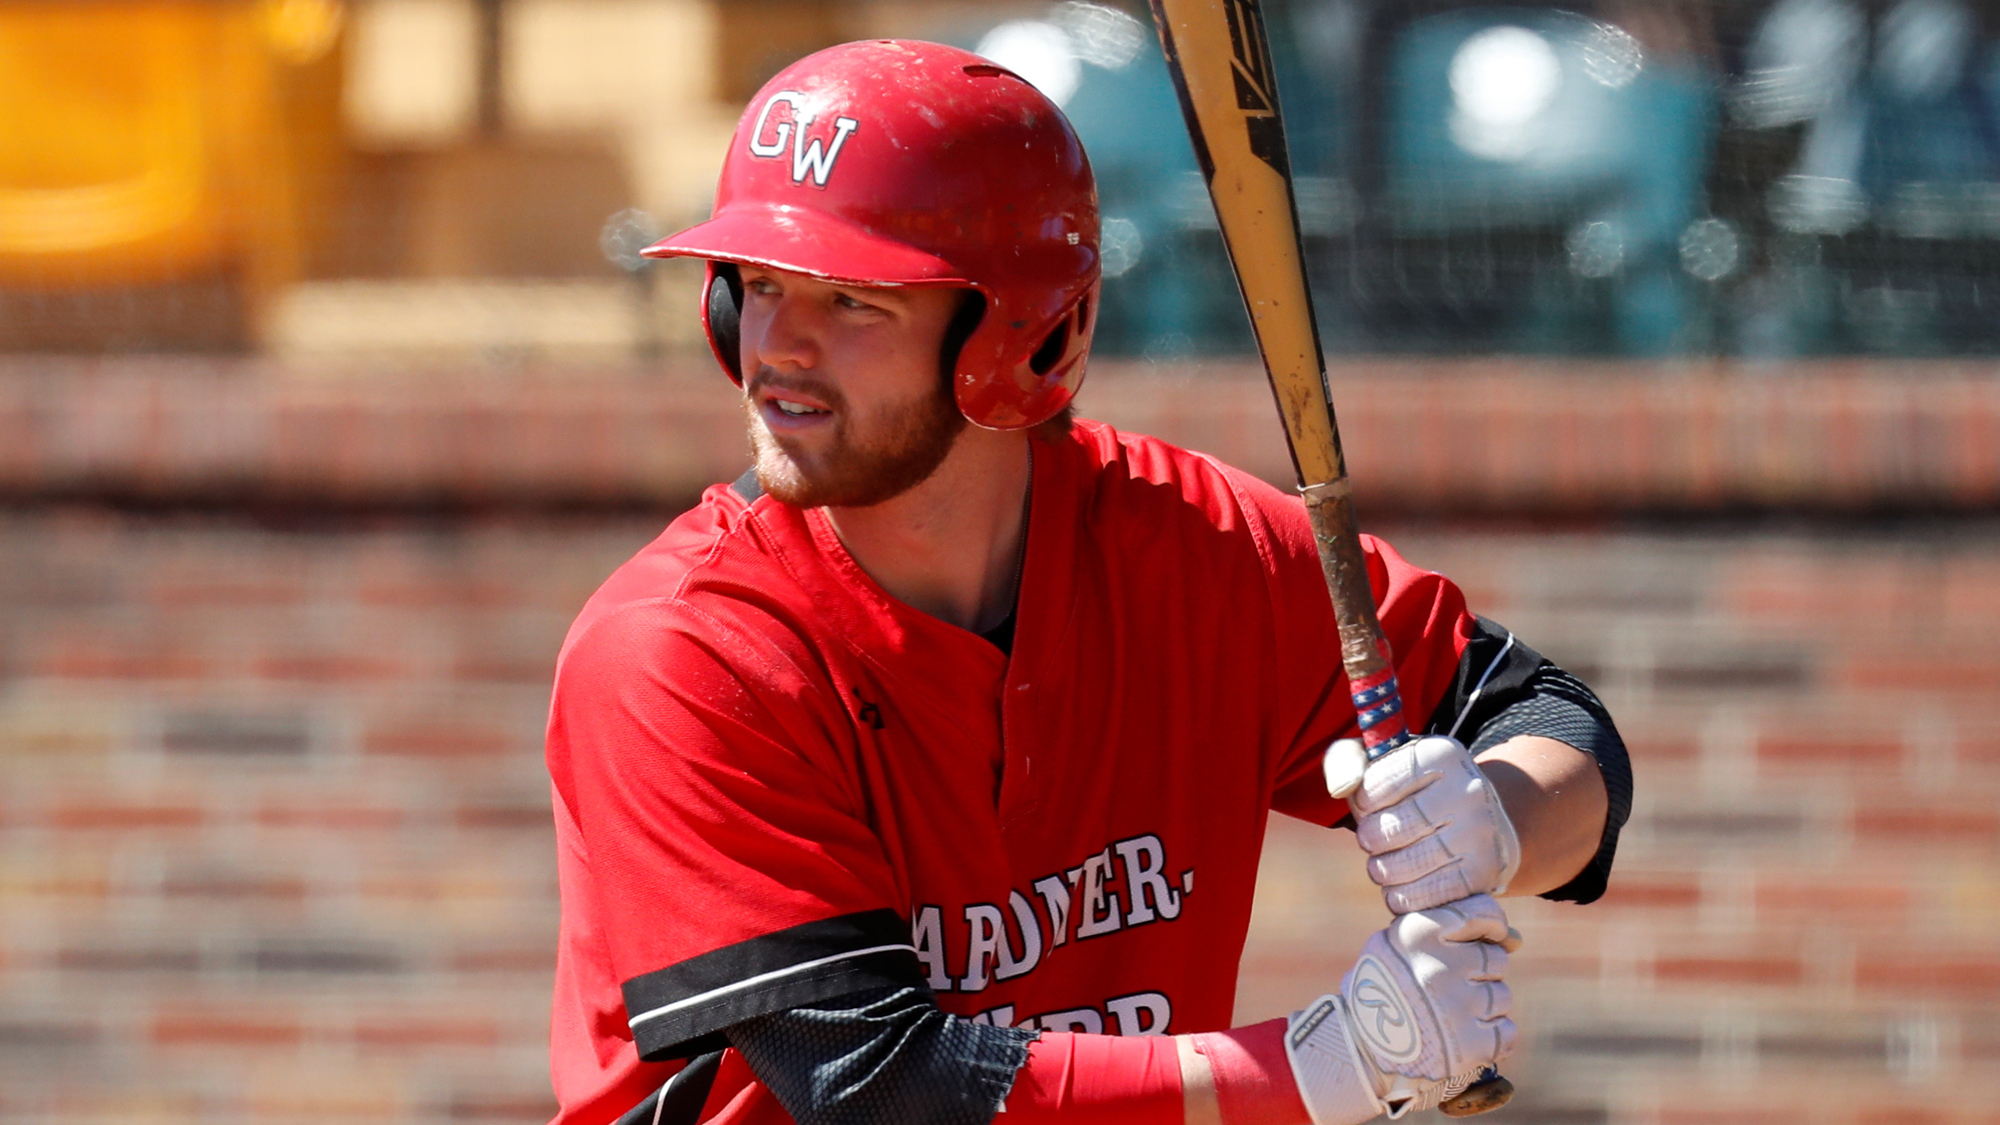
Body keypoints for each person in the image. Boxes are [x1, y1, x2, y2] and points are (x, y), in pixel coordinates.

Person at [543, 39, 1631, 1125]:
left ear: (1020, 330)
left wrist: (1488, 823)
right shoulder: (687, 652)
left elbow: (1552, 723)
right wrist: (1329, 1066)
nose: (777, 345)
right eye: (761, 287)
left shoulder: (1200, 553)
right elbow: (882, 1091)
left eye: (852, 301)